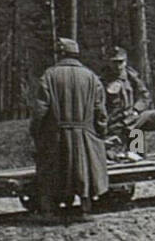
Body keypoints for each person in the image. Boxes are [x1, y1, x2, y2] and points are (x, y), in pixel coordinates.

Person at [29, 38, 109, 220]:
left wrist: (36, 132)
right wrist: (101, 132)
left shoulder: (49, 76)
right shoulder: (91, 77)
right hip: (85, 133)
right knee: (84, 170)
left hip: (56, 134)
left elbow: (41, 108)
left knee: (51, 170)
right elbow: (100, 111)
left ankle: (48, 211)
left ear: (61, 54)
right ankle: (85, 208)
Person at [103, 46, 155, 163]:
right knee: (122, 157)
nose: (118, 66)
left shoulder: (131, 77)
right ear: (108, 62)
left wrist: (136, 110)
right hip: (116, 124)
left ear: (125, 61)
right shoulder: (102, 81)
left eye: (120, 62)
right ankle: (129, 153)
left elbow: (145, 96)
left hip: (134, 118)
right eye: (114, 62)